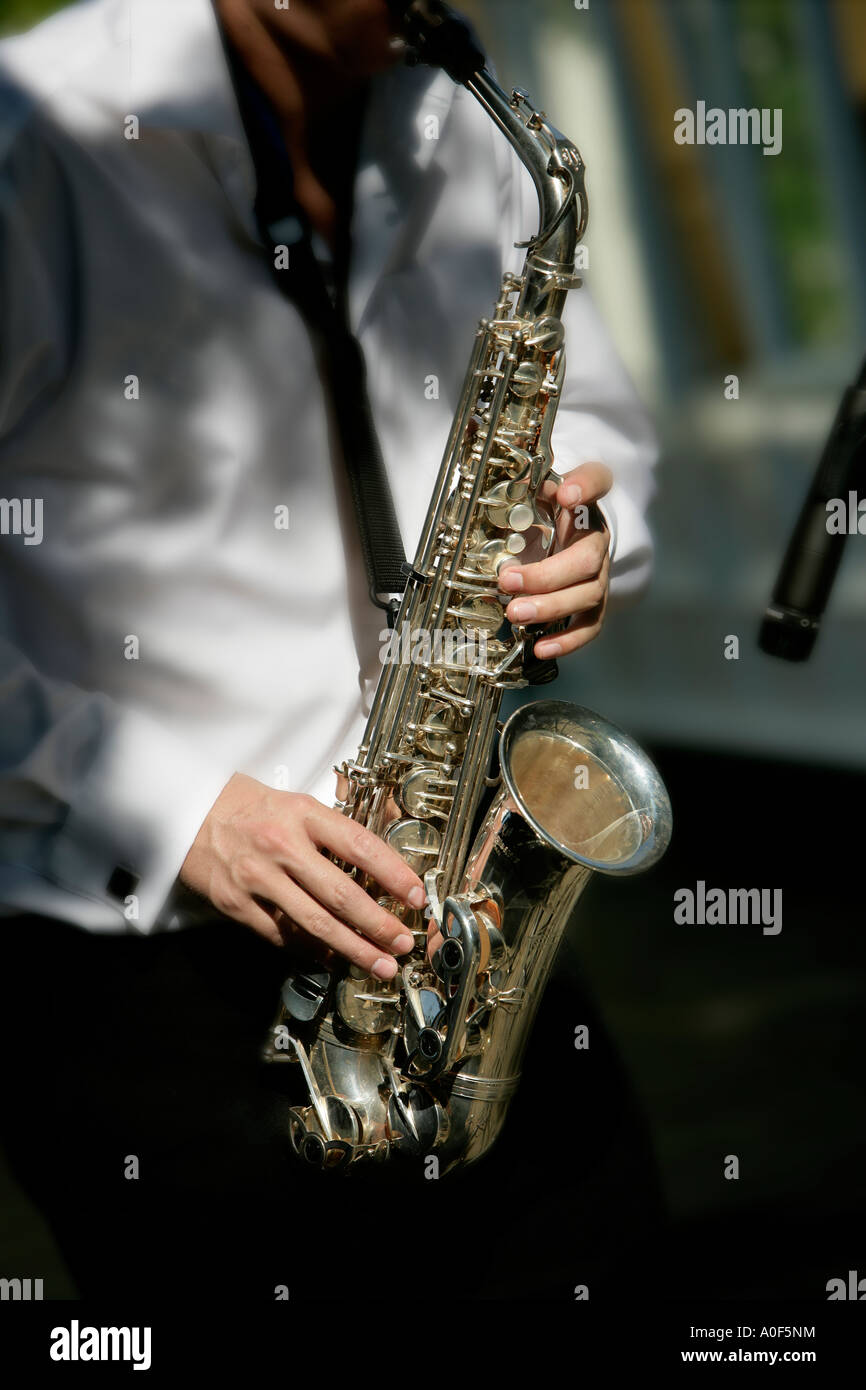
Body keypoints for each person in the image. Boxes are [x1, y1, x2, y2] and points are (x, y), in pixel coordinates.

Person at [0, 0, 664, 1300]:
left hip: (444, 903)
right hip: (137, 964)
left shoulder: (453, 112)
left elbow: (593, 422)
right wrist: (176, 805)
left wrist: (596, 531)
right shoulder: (37, 132)